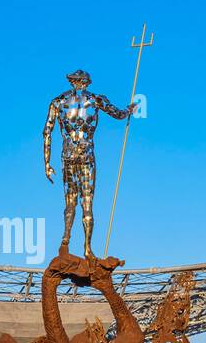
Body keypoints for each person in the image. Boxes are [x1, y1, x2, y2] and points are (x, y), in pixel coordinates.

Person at [42, 69, 137, 258]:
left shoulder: (58, 102)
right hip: (86, 154)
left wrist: (47, 163)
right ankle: (87, 248)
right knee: (86, 202)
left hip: (68, 154)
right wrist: (129, 110)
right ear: (86, 83)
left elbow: (47, 131)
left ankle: (66, 241)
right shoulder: (96, 100)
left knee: (70, 201)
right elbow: (118, 114)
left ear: (72, 82)